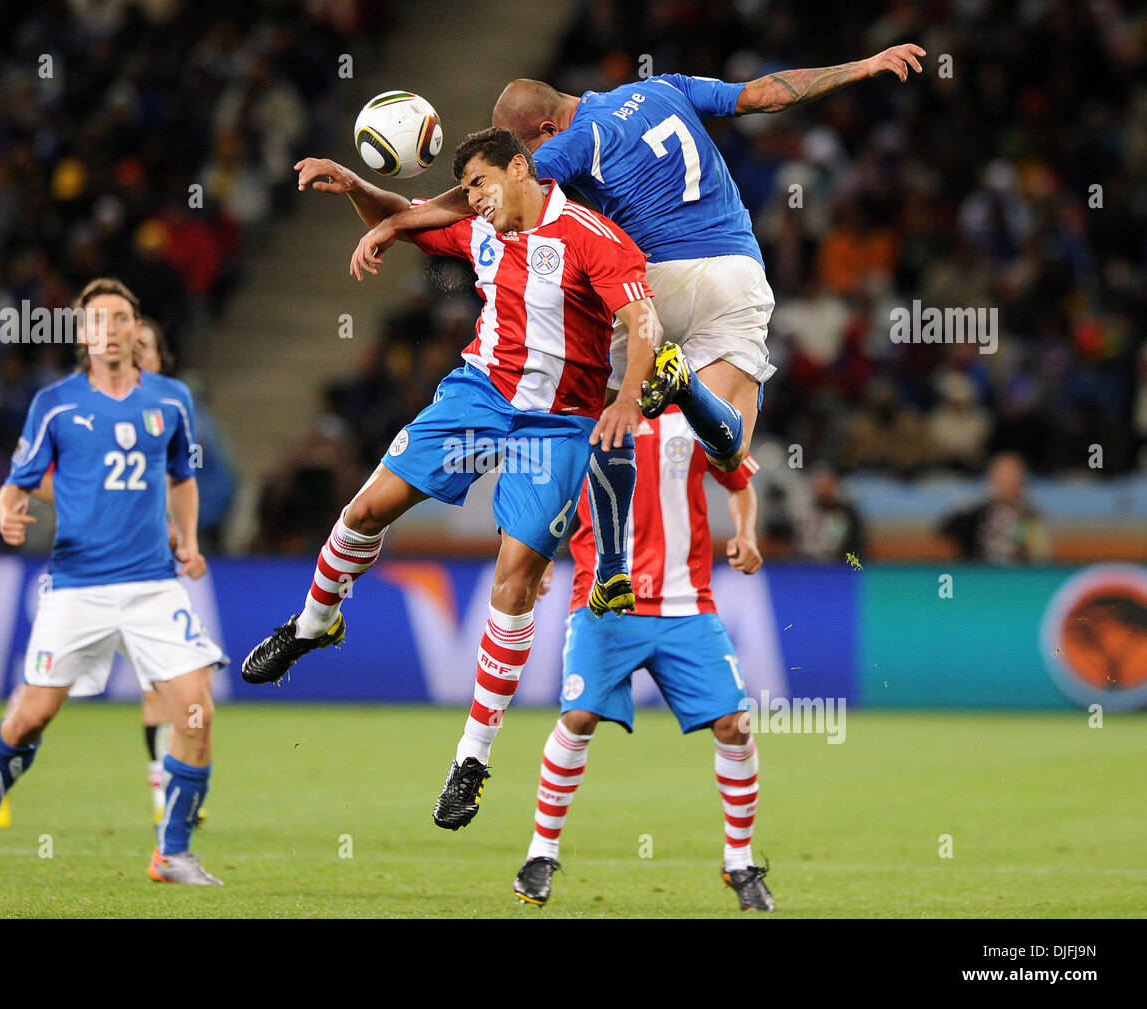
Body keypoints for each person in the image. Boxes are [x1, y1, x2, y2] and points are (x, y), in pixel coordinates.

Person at [350, 45, 925, 617]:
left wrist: (396, 220)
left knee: (578, 410)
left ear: (545, 132)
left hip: (654, 280)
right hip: (736, 270)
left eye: (523, 152)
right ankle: (687, 390)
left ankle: (597, 567)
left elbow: (489, 196)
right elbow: (762, 93)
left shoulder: (571, 143)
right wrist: (861, 67)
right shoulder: (665, 86)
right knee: (732, 448)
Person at [242, 128, 663, 831]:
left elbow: (641, 317)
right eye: (464, 190)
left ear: (521, 169)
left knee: (516, 575)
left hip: (557, 423)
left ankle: (472, 756)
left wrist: (627, 396)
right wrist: (354, 186)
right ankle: (314, 623)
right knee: (367, 508)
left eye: (477, 185)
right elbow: (402, 220)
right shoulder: (481, 229)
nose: (469, 200)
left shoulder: (591, 235)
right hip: (478, 396)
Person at [0, 278, 227, 885]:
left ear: (133, 328)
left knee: (195, 712)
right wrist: (10, 506)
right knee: (29, 717)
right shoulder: (56, 404)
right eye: (98, 320)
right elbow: (20, 477)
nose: (111, 329)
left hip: (152, 585)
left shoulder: (170, 400)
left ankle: (172, 851)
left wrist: (188, 537)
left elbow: (182, 476)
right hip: (76, 586)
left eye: (122, 318)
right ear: (83, 334)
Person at [512, 404, 773, 911]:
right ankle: (540, 854)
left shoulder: (697, 411)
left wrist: (746, 534)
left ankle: (739, 861)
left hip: (687, 605)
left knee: (735, 726)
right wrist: (536, 554)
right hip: (605, 600)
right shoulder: (586, 412)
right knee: (578, 716)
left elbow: (739, 480)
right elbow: (546, 489)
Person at [938, 451, 1049, 564]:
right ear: (993, 479)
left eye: (1013, 479)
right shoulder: (974, 515)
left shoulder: (1031, 516)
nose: (1008, 485)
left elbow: (1039, 553)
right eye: (1003, 479)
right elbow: (946, 534)